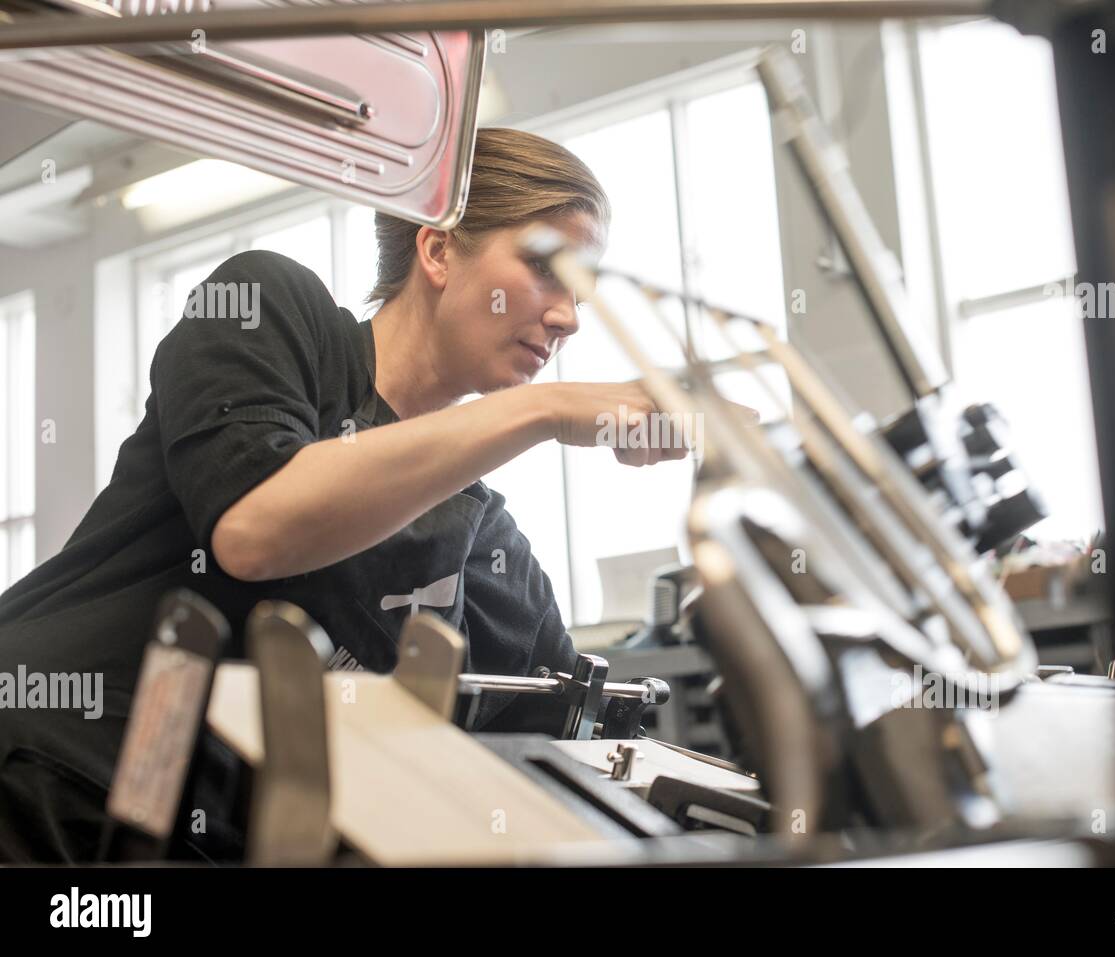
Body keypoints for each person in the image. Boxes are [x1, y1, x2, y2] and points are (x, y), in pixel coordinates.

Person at [0, 127, 693, 862]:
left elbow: (582, 732)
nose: (569, 317)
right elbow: (255, 528)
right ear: (437, 249)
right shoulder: (267, 307)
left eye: (583, 289)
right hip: (46, 774)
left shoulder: (478, 531)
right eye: (547, 269)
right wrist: (544, 411)